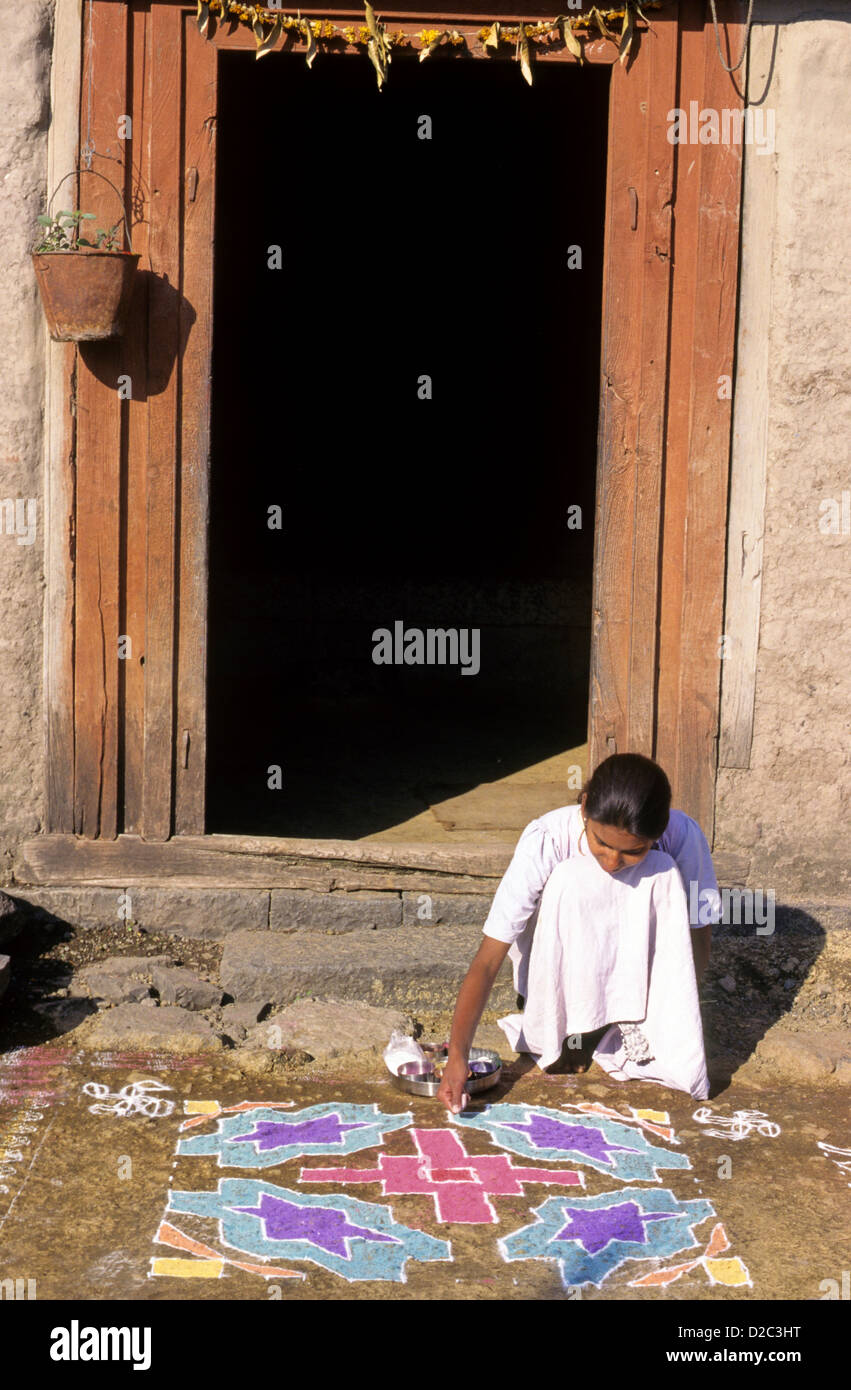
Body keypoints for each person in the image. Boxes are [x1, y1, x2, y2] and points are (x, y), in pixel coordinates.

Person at [436, 752, 720, 1113]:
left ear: (659, 832)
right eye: (602, 843)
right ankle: (576, 1036)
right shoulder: (548, 838)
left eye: (633, 851)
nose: (613, 862)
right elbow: (489, 960)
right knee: (574, 876)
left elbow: (697, 929)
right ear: (585, 808)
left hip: (640, 997)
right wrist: (457, 1056)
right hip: (562, 997)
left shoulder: (682, 836)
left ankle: (632, 1026)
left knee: (663, 871)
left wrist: (679, 1012)